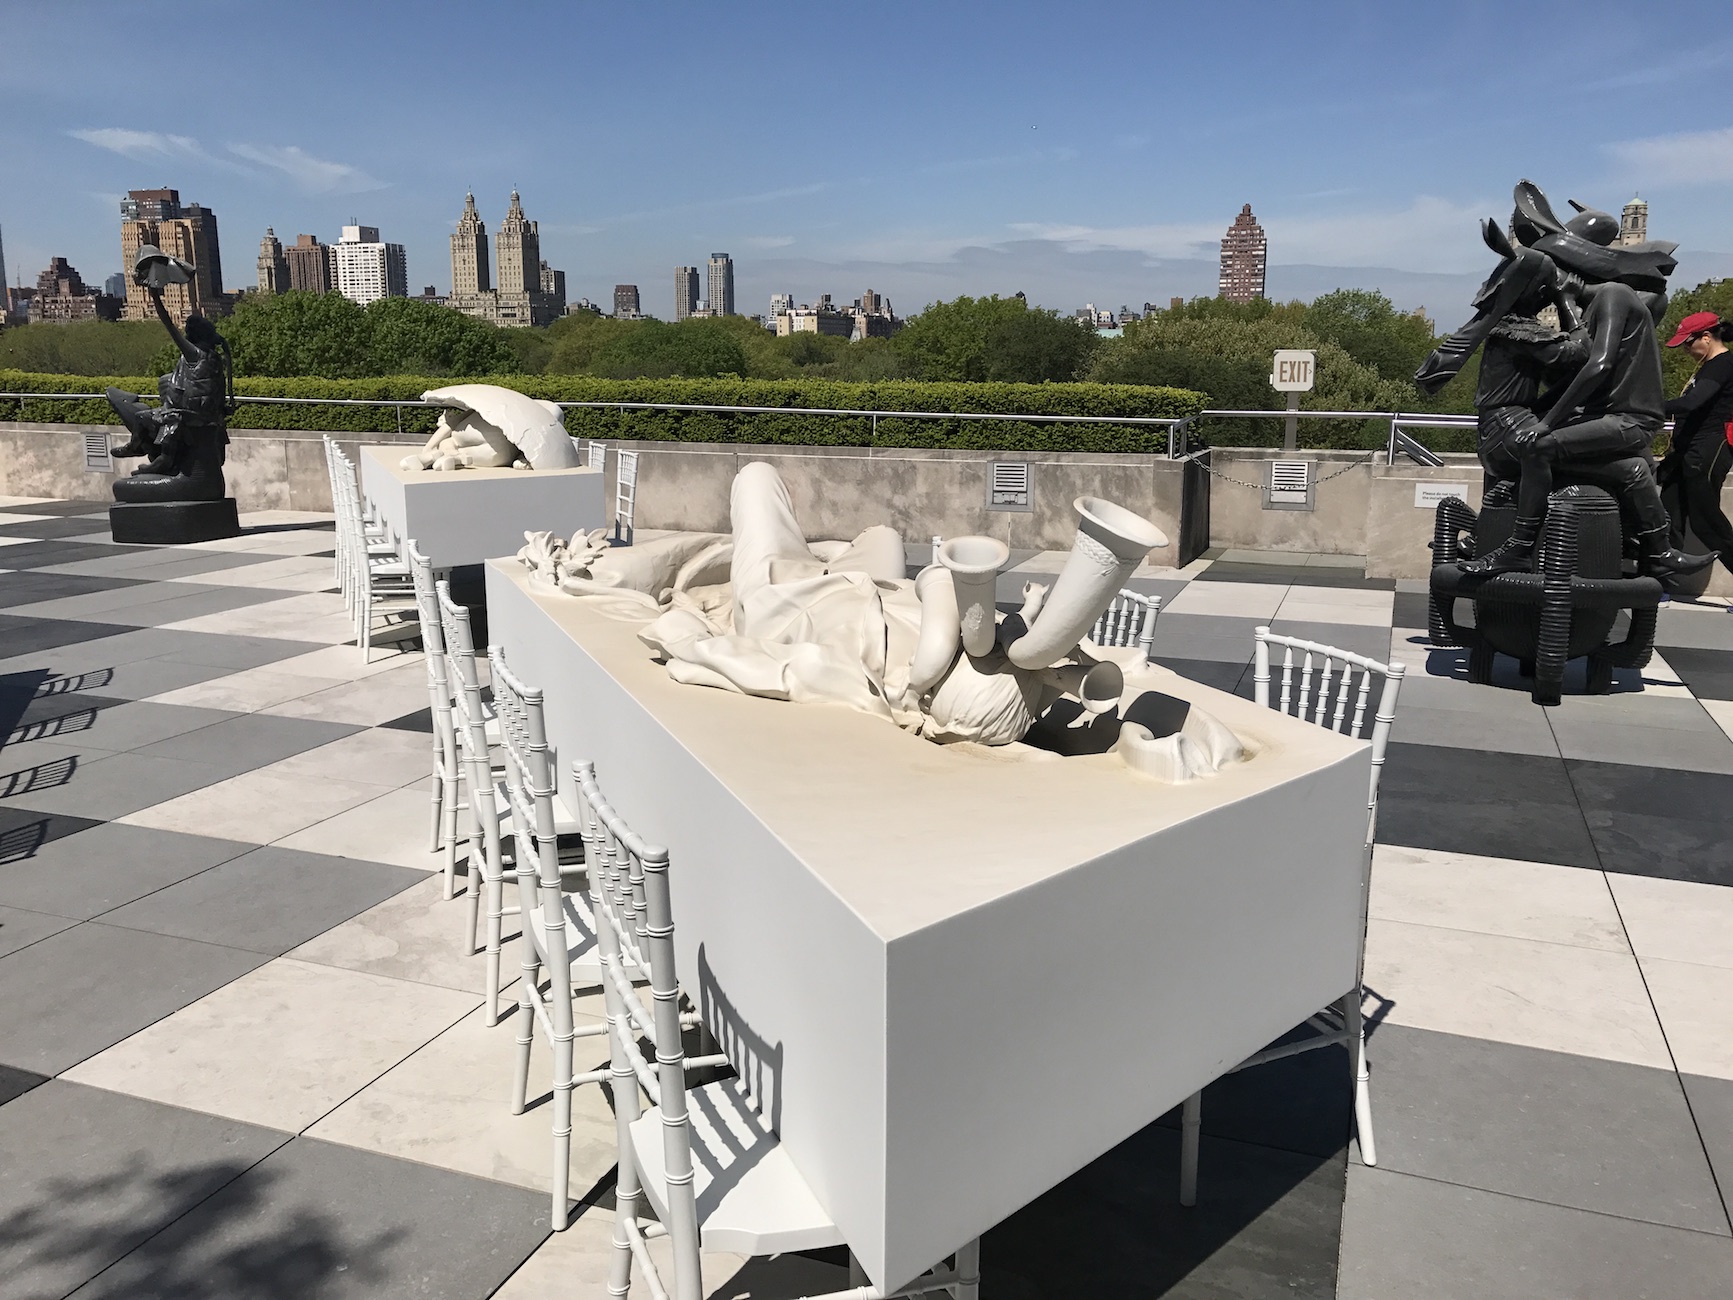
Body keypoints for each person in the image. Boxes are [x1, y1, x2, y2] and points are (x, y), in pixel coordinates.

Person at [1658, 310, 1733, 574]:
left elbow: (1692, 403)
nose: (1685, 350)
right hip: (1686, 452)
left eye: (1687, 343)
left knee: (1706, 522)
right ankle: (1664, 581)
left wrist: (1646, 406)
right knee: (1669, 514)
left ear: (1706, 337)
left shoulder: (1724, 364)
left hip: (1709, 449)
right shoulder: (1708, 366)